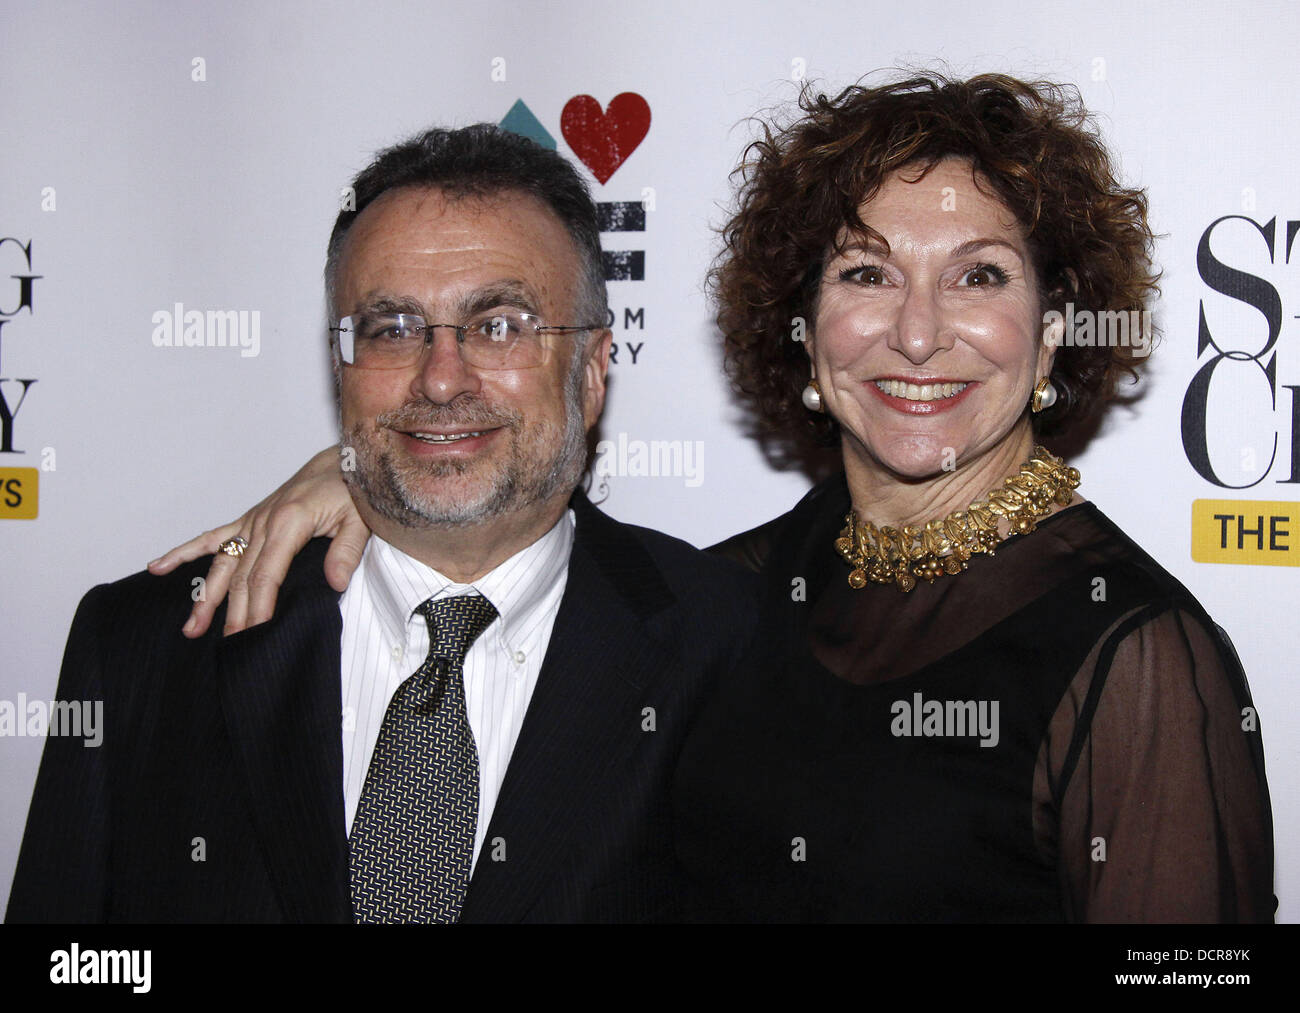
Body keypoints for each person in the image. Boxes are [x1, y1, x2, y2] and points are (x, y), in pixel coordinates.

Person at [147, 74, 1275, 922]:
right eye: (865, 272)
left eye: (978, 274)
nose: (917, 330)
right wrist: (356, 470)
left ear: (1056, 329)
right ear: (803, 326)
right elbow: (499, 524)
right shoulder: (726, 594)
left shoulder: (1136, 655)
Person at [6, 125, 759, 923]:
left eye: (499, 324)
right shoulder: (147, 647)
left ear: (595, 368)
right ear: (341, 366)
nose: (439, 379)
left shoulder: (734, 650)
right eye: (392, 329)